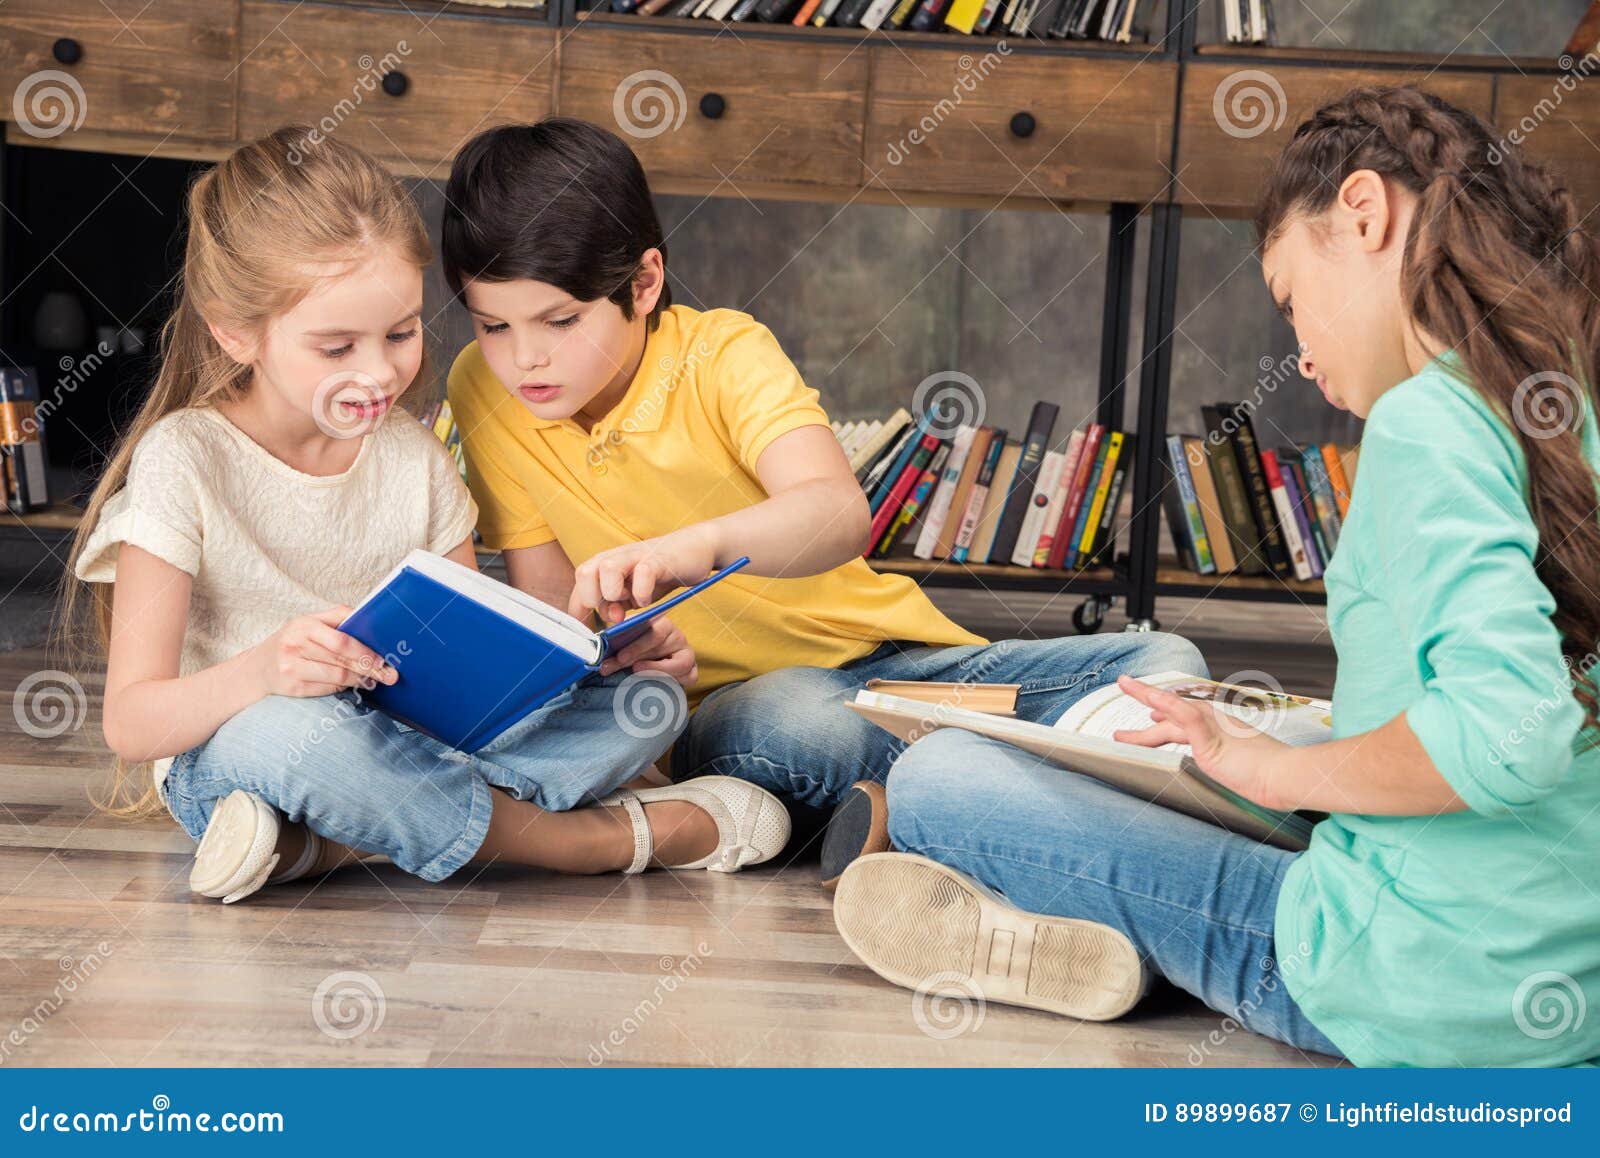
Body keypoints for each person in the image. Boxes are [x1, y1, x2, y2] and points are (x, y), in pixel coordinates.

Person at [836, 85, 1600, 1067]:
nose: (1299, 347)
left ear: (1364, 214)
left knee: (939, 778)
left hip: (1408, 982)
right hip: (1564, 985)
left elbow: (1509, 738)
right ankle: (1075, 944)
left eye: (1291, 297)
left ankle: (1077, 946)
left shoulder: (1427, 421)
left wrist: (1270, 768)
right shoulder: (1563, 406)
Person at [440, 118, 1206, 889]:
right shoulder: (482, 387)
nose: (524, 357)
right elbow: (553, 613)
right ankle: (994, 797)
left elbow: (836, 513)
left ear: (643, 284)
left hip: (895, 665)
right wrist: (623, 655)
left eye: (560, 321)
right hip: (736, 710)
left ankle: (932, 804)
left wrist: (690, 549)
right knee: (795, 726)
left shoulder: (722, 353)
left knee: (1163, 664)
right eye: (492, 325)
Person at [66, 127, 789, 906]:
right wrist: (262, 671)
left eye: (402, 334)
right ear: (236, 333)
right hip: (245, 754)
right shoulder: (185, 459)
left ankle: (322, 844)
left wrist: (594, 658)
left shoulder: (415, 459)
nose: (379, 373)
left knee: (644, 710)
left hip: (413, 746)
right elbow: (132, 726)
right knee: (295, 735)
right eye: (337, 346)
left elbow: (475, 678)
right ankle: (593, 843)